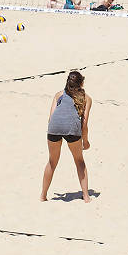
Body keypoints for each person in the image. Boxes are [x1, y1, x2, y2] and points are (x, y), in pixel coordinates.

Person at [40, 70, 92, 202]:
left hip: (54, 126)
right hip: (72, 128)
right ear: (81, 83)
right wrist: (85, 141)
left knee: (52, 162)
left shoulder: (58, 95)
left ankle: (43, 196)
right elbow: (84, 124)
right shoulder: (87, 98)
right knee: (79, 161)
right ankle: (86, 196)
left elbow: (50, 118)